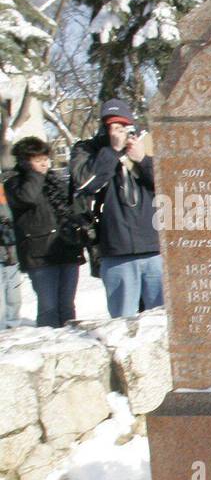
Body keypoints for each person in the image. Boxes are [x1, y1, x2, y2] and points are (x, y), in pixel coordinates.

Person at [69, 98, 160, 319]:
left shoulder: (147, 144)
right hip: (115, 249)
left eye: (121, 126)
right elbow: (84, 183)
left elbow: (171, 185)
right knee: (123, 322)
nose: (116, 131)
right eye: (110, 126)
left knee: (161, 322)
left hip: (154, 248)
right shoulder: (90, 150)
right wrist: (112, 151)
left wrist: (142, 160)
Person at [4, 137, 83, 328]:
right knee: (48, 307)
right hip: (39, 256)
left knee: (67, 306)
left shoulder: (55, 181)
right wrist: (34, 174)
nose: (44, 163)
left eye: (45, 158)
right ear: (24, 161)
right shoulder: (14, 183)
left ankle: (72, 345)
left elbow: (72, 208)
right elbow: (27, 197)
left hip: (66, 250)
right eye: (37, 159)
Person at [0, 180, 20, 328]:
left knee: (14, 292)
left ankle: (12, 324)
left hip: (11, 247)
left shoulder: (6, 188)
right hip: (7, 245)